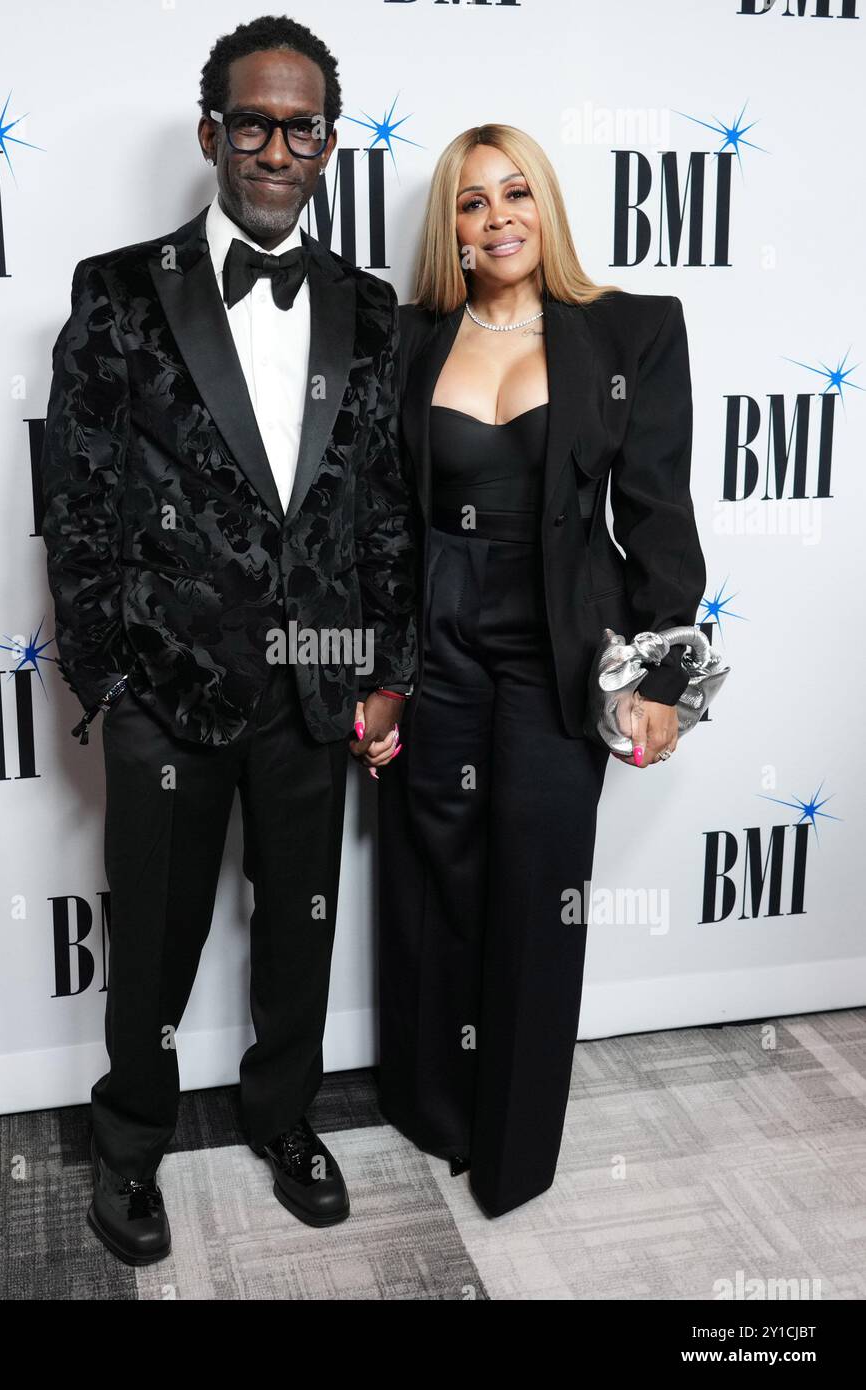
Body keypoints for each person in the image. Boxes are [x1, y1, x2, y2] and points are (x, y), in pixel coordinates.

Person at [40, 15, 417, 1265]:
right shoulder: (118, 289)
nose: (272, 146)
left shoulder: (369, 308)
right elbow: (77, 499)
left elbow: (383, 508)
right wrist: (109, 674)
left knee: (297, 926)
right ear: (211, 132)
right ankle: (131, 1141)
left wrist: (382, 671)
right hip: (168, 683)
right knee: (151, 937)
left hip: (316, 685)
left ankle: (283, 1115)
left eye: (298, 126)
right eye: (249, 122)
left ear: (327, 144)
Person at [376, 124, 706, 1219]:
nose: (496, 217)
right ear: (452, 228)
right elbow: (379, 516)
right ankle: (435, 1106)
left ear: (546, 205)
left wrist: (661, 682)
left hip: (561, 649)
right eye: (471, 203)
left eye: (515, 193)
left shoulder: (631, 330)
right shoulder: (410, 335)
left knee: (537, 881)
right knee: (434, 868)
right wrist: (374, 668)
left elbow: (655, 510)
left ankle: (512, 1151)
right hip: (438, 639)